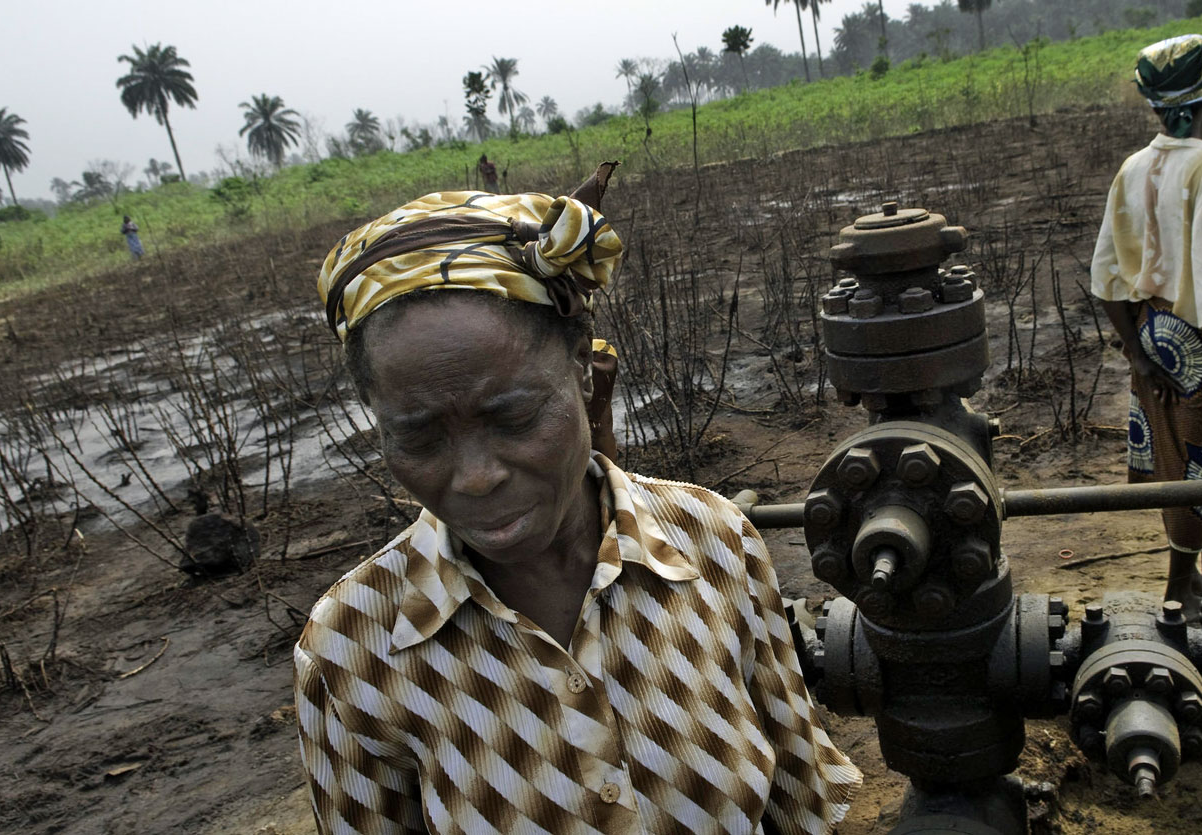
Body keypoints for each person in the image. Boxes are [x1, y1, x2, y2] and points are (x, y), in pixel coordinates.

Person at [298, 162, 860, 834]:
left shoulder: (713, 540)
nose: (476, 478)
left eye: (513, 418)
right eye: (419, 437)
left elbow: (804, 804)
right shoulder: (354, 645)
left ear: (586, 375)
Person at [1090, 34, 1202, 612]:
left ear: (1155, 105)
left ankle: (1184, 578)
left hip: (1152, 335)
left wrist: (1138, 355)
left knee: (1175, 455)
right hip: (1198, 345)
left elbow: (1106, 274)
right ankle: (1181, 589)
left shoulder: (1132, 168)